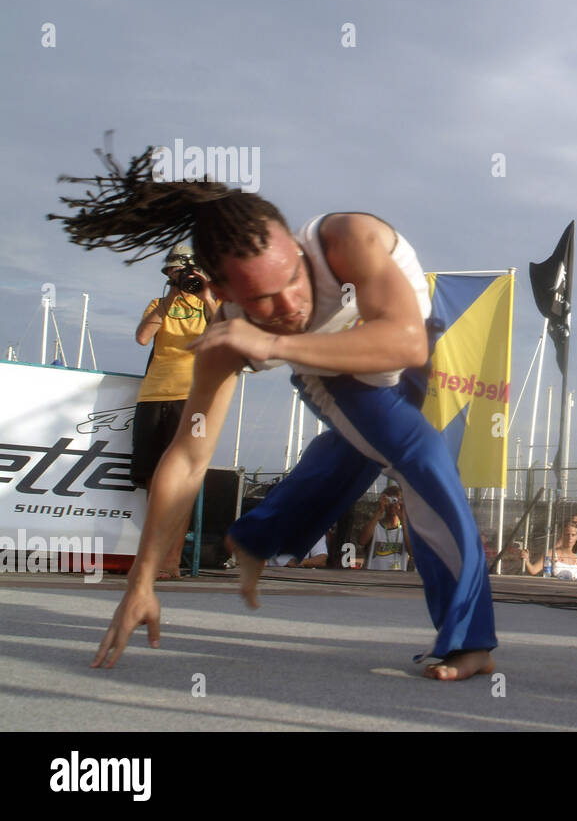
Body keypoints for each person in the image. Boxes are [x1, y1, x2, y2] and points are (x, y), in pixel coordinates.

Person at [52, 163, 496, 680]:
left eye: (292, 280)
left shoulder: (349, 238)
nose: (289, 305)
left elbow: (405, 341)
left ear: (296, 245)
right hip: (337, 377)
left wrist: (273, 343)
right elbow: (190, 455)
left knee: (357, 450)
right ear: (226, 293)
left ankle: (261, 533)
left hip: (407, 349)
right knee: (421, 457)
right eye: (261, 300)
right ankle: (469, 641)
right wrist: (141, 581)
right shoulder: (227, 333)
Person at [131, 243, 217, 579]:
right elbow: (142, 337)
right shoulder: (160, 303)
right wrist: (171, 295)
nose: (178, 277)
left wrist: (206, 291)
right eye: (172, 273)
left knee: (182, 479)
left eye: (180, 272)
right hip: (153, 395)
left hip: (191, 398)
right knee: (153, 477)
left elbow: (221, 332)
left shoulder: (212, 303)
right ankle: (151, 559)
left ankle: (171, 561)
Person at [359, 484, 408, 571]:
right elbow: (362, 541)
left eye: (395, 500)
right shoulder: (375, 527)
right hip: (375, 579)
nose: (392, 505)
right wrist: (380, 510)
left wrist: (403, 516)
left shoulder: (404, 529)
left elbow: (412, 552)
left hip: (399, 581)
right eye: (390, 500)